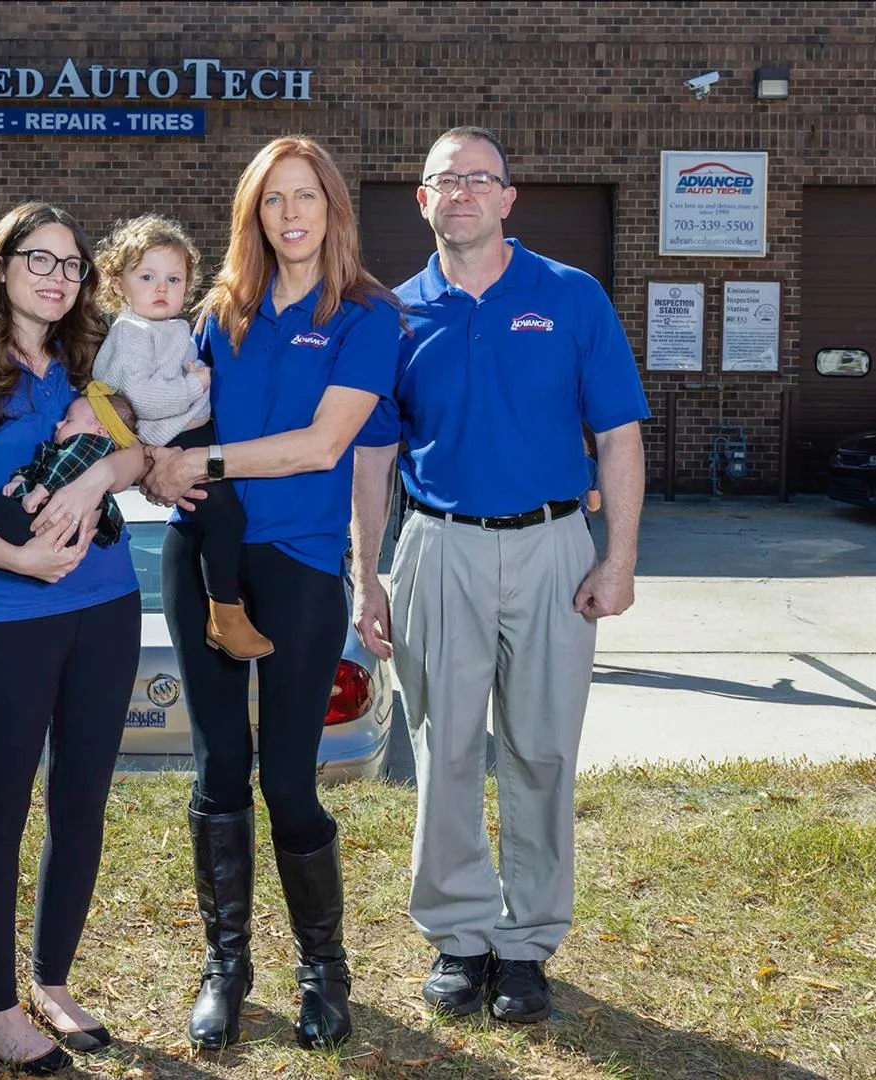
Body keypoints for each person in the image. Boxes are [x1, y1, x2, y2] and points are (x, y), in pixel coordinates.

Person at [349, 126, 648, 1025]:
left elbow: (619, 437)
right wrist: (366, 575)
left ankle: (525, 943)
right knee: (442, 747)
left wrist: (619, 558)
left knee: (542, 745)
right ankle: (458, 934)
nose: (463, 194)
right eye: (446, 180)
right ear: (423, 200)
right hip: (438, 546)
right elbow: (372, 456)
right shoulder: (393, 314)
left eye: (481, 179)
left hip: (556, 545)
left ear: (508, 198)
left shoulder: (571, 296)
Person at [141, 136, 401, 1051]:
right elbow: (158, 413)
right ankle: (225, 965)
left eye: (306, 198)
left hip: (295, 564)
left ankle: (321, 967)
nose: (290, 216)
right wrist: (147, 468)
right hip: (201, 555)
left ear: (333, 208)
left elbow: (322, 446)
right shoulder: (218, 312)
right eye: (272, 201)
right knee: (216, 769)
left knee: (289, 778)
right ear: (252, 215)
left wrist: (199, 461)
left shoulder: (368, 316)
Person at [0, 202, 148, 1075]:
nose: (56, 276)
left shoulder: (90, 367)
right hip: (5, 620)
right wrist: (15, 556)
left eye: (71, 265)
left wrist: (99, 480)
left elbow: (141, 454)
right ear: (0, 267)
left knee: (81, 802)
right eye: (38, 259)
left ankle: (51, 980)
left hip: (108, 605)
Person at [93, 215, 271, 660]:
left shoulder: (167, 328)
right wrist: (196, 385)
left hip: (192, 434)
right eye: (147, 276)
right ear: (118, 285)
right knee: (227, 520)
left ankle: (226, 604)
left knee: (217, 520)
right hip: (178, 443)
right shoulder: (132, 334)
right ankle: (224, 616)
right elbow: (145, 400)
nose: (161, 288)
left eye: (173, 279)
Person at [0, 384, 138, 577]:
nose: (58, 424)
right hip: (53, 530)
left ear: (99, 431)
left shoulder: (91, 446)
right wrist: (20, 478)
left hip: (57, 530)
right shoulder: (59, 452)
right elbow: (40, 468)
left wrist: (40, 490)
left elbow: (64, 469)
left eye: (69, 421)